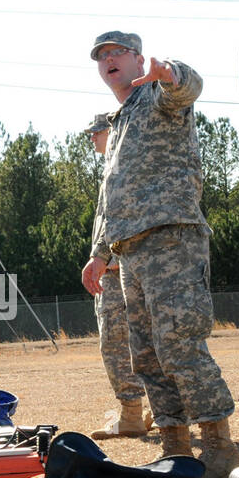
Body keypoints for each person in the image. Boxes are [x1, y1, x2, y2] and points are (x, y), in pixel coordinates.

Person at [79, 31, 239, 478]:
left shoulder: (155, 96)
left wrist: (170, 73)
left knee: (180, 345)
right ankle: (175, 447)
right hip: (128, 250)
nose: (109, 60)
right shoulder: (120, 119)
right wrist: (99, 254)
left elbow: (187, 88)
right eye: (102, 56)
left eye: (118, 53)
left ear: (136, 59)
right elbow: (112, 196)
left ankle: (219, 448)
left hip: (171, 238)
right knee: (147, 355)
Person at [83, 112, 153, 440]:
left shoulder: (121, 166)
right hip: (126, 267)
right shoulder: (120, 165)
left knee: (114, 343)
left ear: (111, 131)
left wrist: (107, 259)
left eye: (95, 132)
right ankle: (154, 408)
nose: (92, 138)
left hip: (119, 271)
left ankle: (132, 415)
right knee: (142, 339)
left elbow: (121, 215)